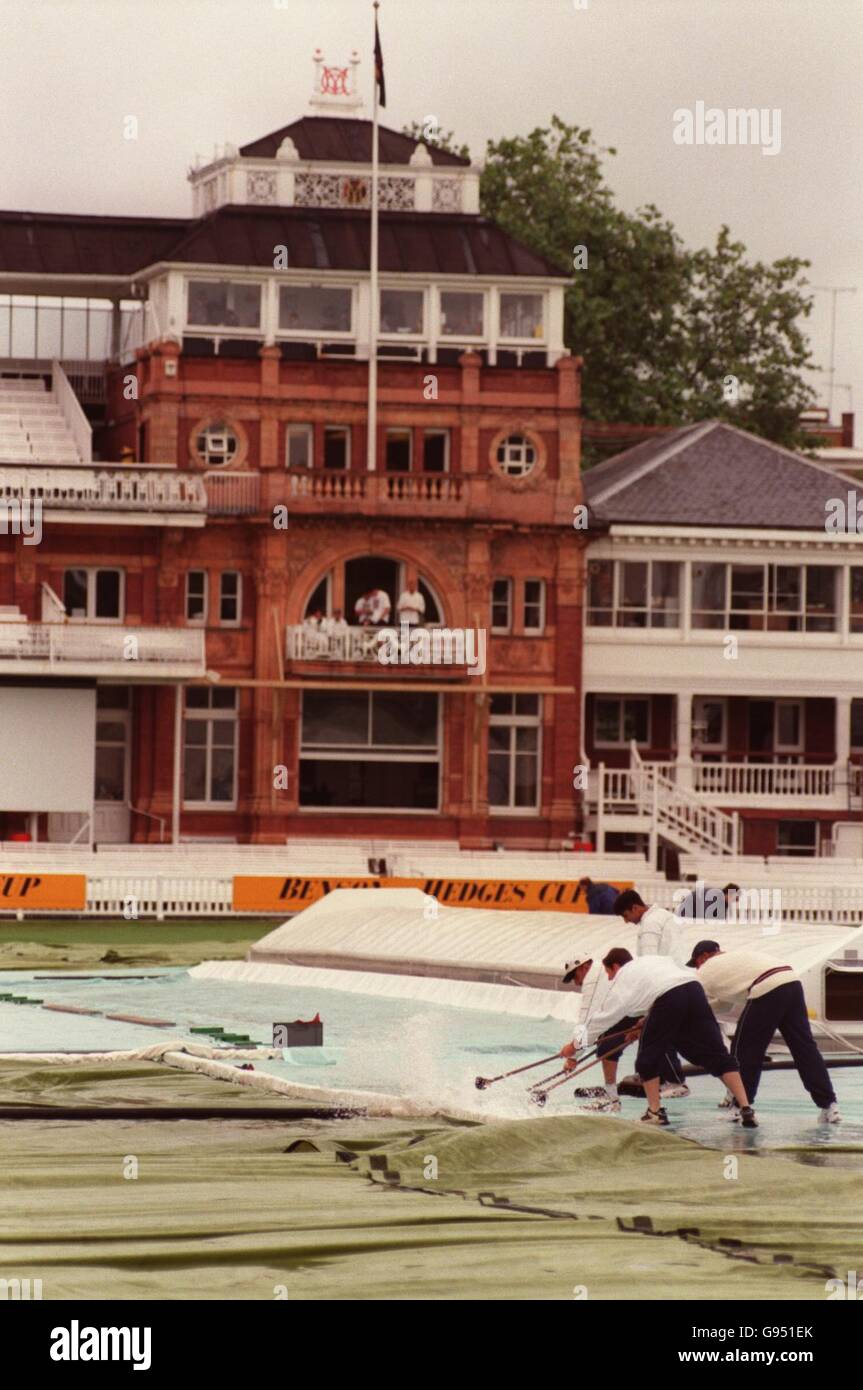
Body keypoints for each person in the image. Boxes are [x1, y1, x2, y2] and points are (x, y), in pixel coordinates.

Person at [584, 947, 757, 1126]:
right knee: (716, 1054)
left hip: (671, 996)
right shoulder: (651, 963)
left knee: (647, 1057)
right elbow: (656, 998)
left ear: (615, 966)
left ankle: (655, 1113)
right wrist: (644, 1023)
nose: (610, 978)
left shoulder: (624, 976)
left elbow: (603, 1019)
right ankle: (745, 1108)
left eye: (609, 973)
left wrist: (574, 1047)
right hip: (694, 990)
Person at [689, 939, 840, 1124]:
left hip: (767, 987)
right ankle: (829, 1106)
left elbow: (690, 996)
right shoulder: (737, 959)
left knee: (744, 1049)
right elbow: (724, 1005)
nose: (696, 968)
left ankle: (739, 1107)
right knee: (805, 1048)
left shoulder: (706, 969)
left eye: (696, 963)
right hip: (791, 981)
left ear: (703, 957)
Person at [557, 952, 687, 1112]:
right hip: (647, 1002)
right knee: (606, 1045)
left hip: (647, 1003)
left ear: (584, 967)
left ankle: (673, 1083)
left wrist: (573, 1055)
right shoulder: (601, 971)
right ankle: (613, 1098)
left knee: (610, 1042)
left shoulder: (593, 977)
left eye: (574, 976)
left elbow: (587, 1018)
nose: (576, 983)